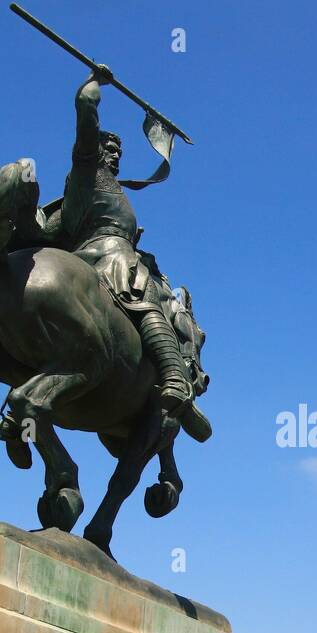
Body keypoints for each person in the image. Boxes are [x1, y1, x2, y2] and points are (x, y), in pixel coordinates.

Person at [62, 66, 209, 442]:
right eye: (109, 149)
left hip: (99, 253)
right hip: (107, 255)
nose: (114, 156)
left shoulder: (105, 186)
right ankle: (174, 376)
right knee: (147, 297)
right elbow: (85, 111)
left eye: (118, 152)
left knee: (164, 293)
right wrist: (95, 83)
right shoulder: (87, 169)